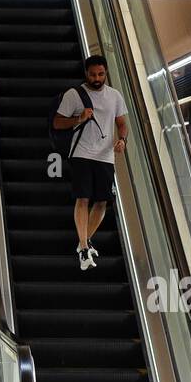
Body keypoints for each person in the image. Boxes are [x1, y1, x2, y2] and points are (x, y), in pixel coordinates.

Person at [52, 54, 128, 271]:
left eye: (101, 74)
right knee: (83, 198)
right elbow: (57, 123)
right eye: (93, 74)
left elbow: (122, 123)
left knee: (102, 201)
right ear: (86, 73)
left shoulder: (115, 96)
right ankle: (85, 247)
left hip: (105, 156)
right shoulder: (74, 95)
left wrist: (122, 140)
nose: (97, 78)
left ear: (106, 73)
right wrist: (78, 119)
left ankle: (82, 242)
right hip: (81, 154)